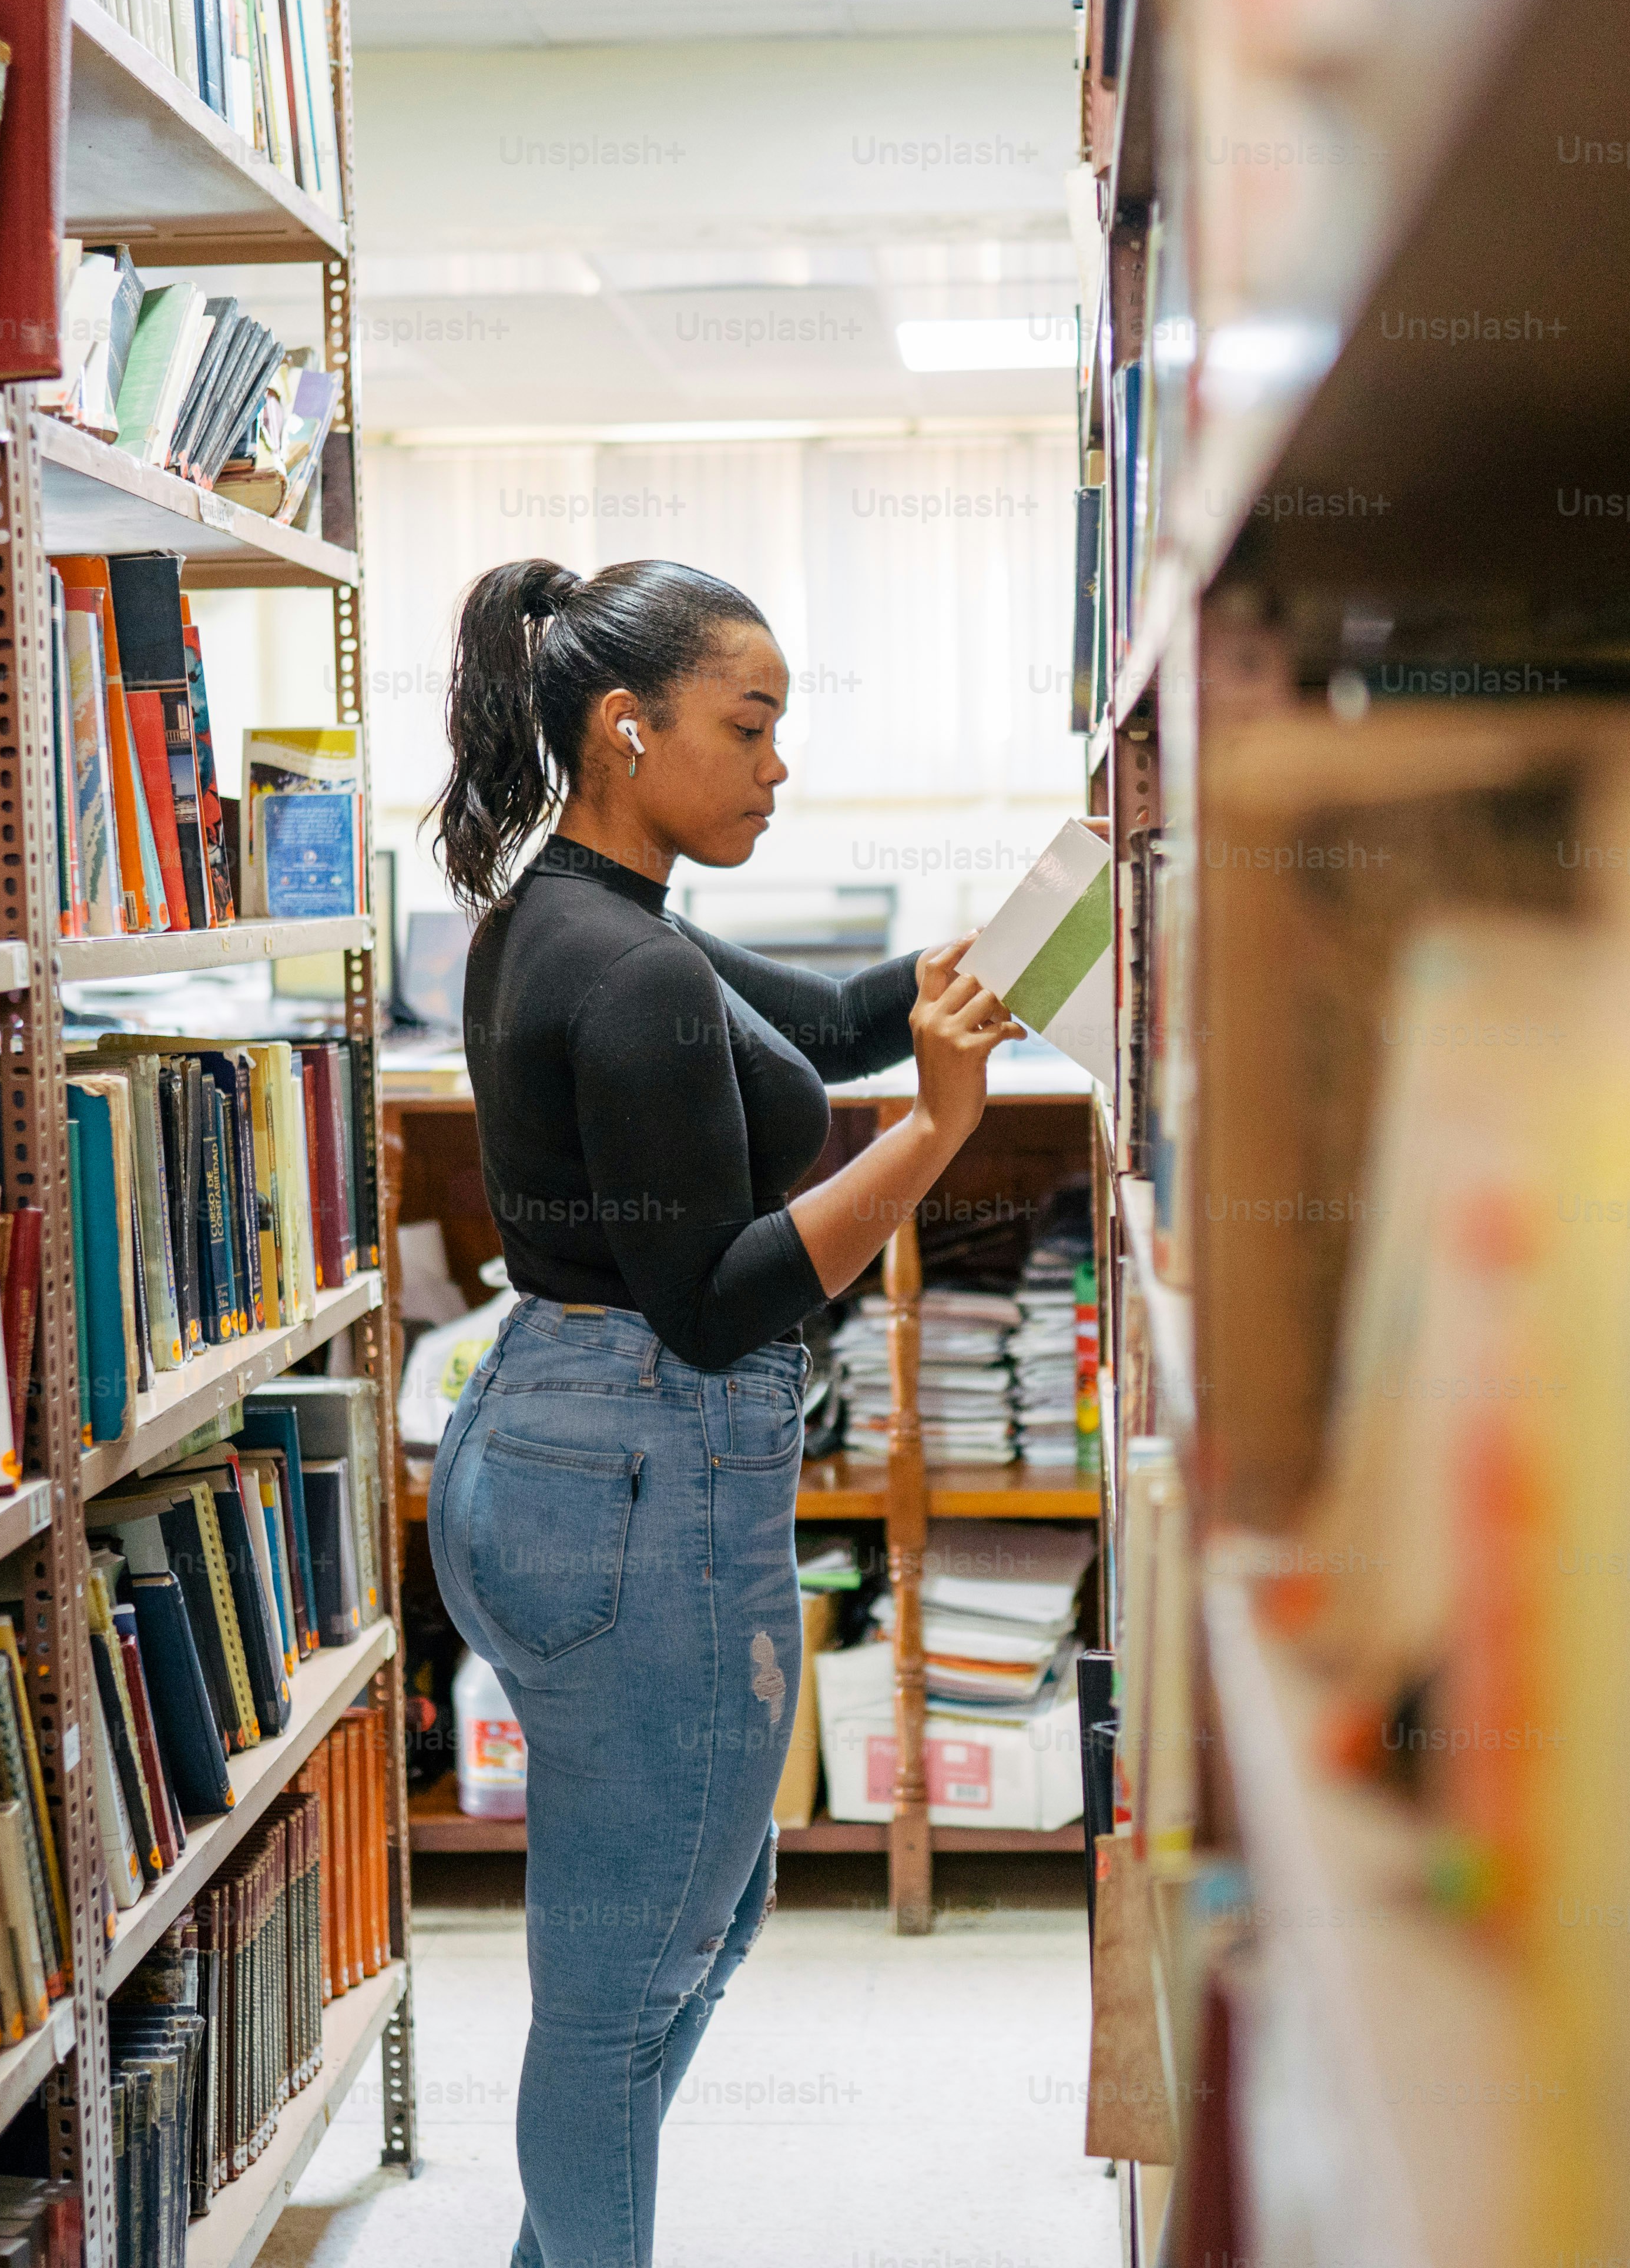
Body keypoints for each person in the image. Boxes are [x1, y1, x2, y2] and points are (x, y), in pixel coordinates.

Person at [421, 557, 1022, 2268]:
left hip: (545, 1435)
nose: (778, 768)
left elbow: (828, 1020)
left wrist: (1022, 941)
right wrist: (937, 1133)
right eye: (749, 729)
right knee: (623, 1981)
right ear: (630, 727)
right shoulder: (635, 970)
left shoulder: (572, 909)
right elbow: (722, 1297)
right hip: (639, 1459)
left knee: (704, 1905)